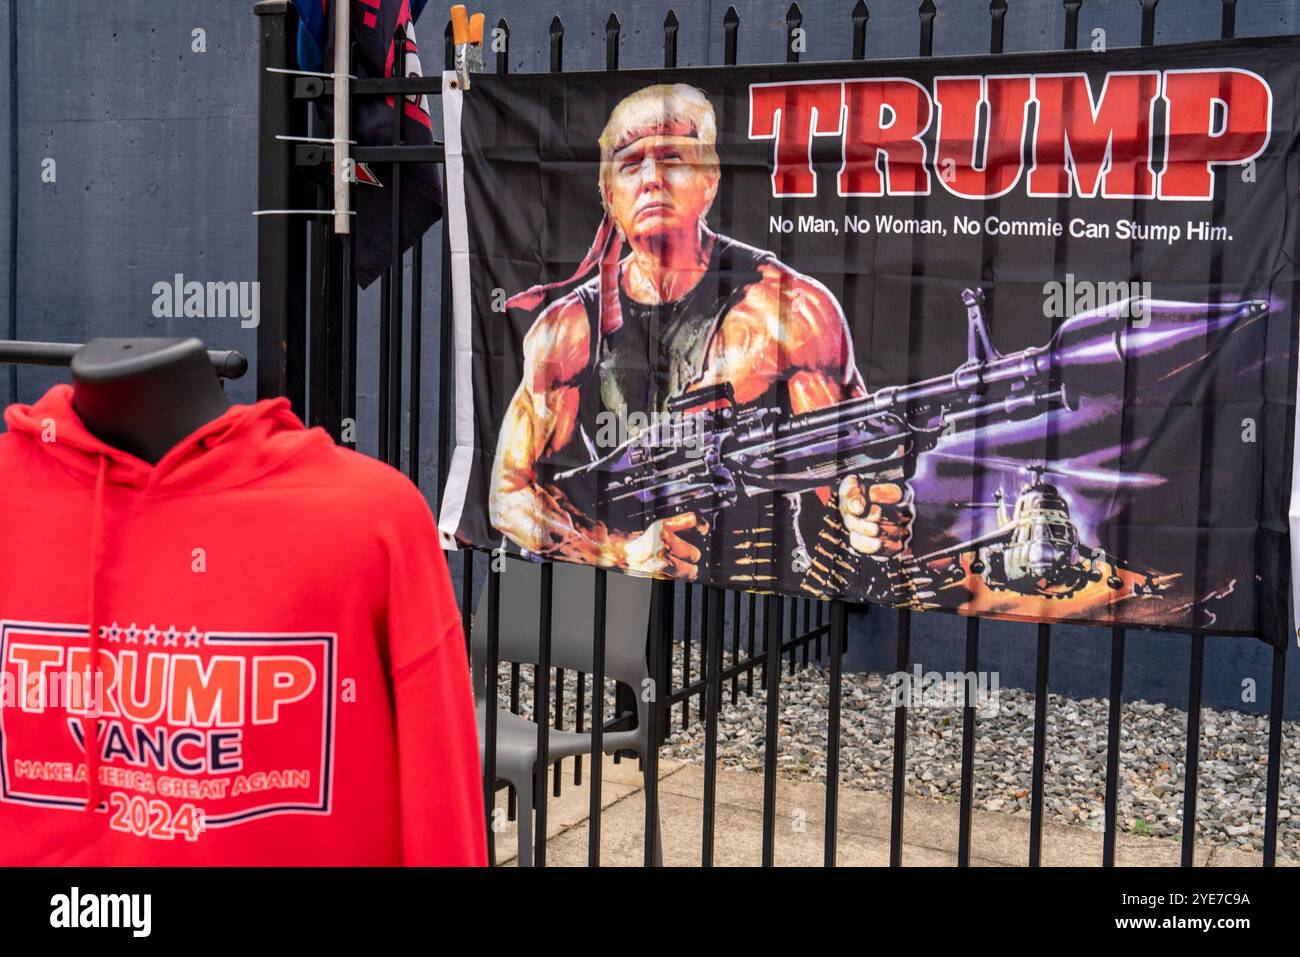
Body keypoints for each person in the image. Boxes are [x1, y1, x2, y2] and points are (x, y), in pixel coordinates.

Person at [490, 83, 912, 584]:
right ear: (608, 196)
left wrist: (867, 510)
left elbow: (847, 464)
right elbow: (508, 493)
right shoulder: (567, 329)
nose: (651, 179)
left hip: (753, 592)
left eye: (673, 158)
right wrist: (620, 554)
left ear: (710, 179)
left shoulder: (787, 311)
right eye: (630, 165)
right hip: (614, 589)